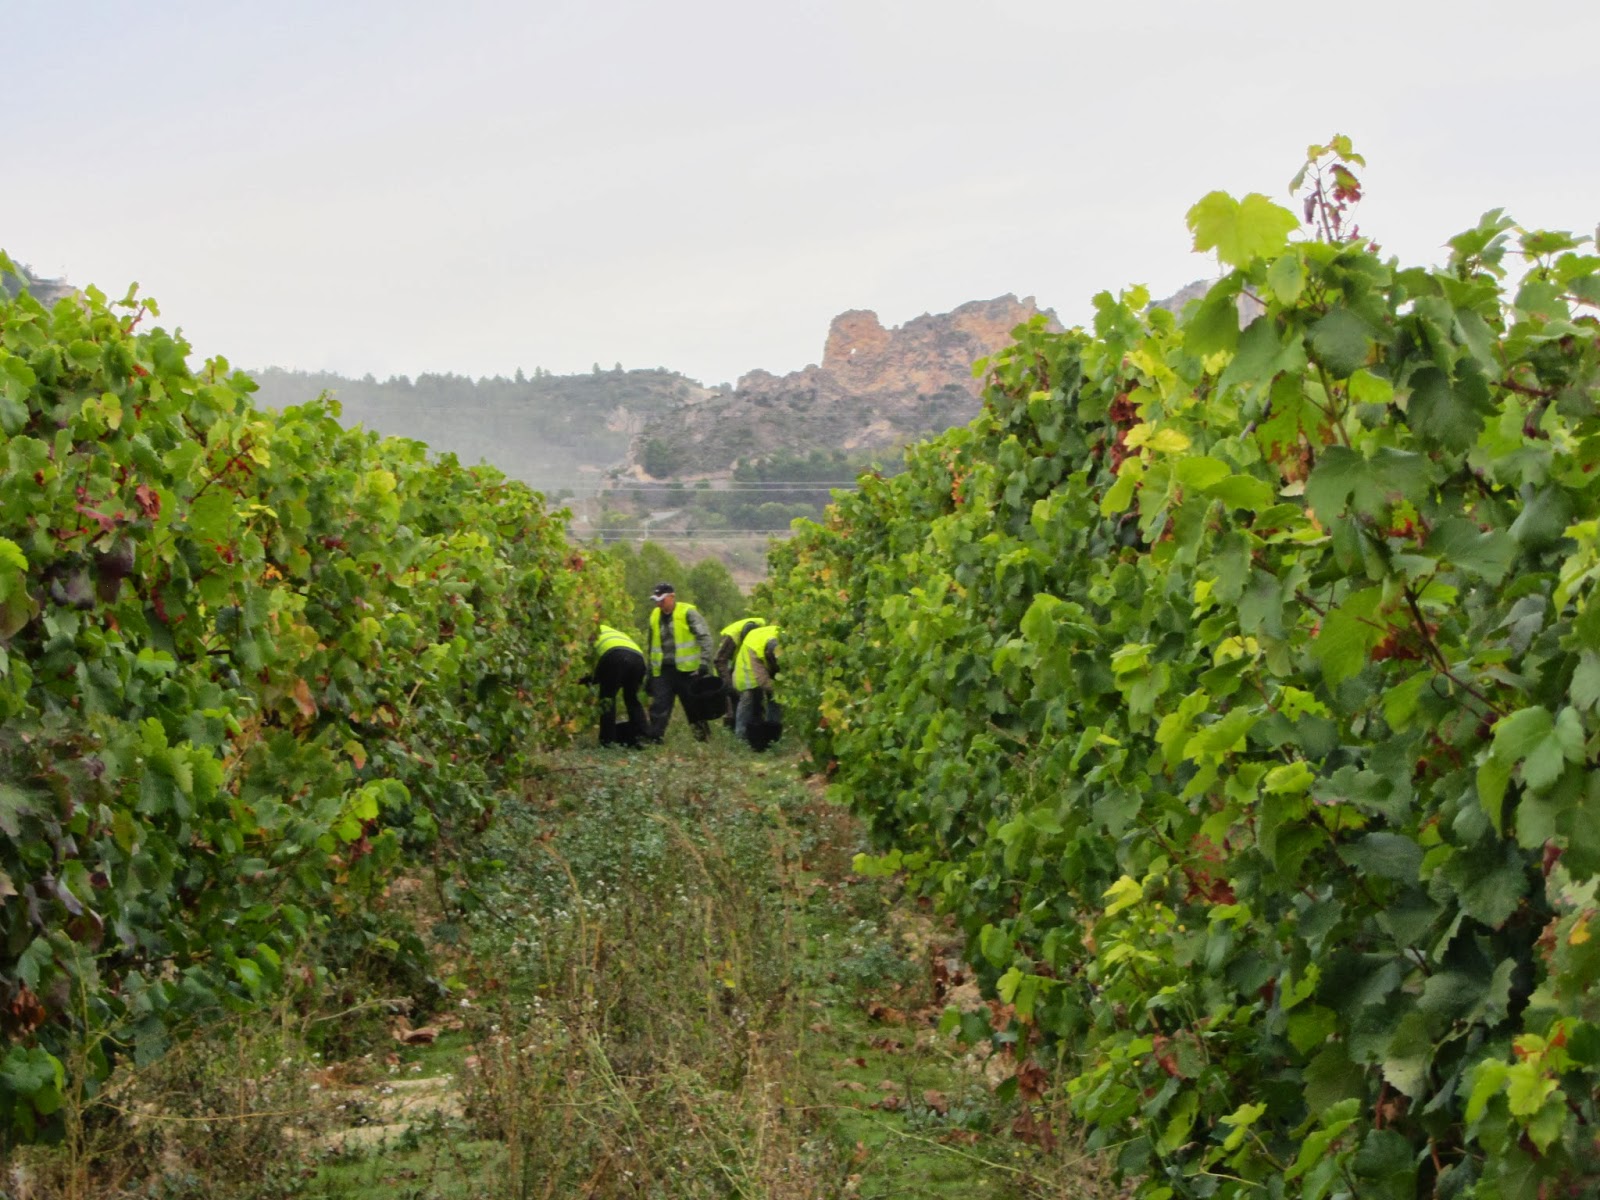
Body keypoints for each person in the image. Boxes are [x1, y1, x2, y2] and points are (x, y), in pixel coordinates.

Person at [644, 582, 716, 742]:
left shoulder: (688, 613)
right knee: (659, 707)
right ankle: (654, 741)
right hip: (663, 670)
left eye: (662, 599)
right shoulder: (654, 615)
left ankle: (704, 740)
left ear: (672, 597)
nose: (659, 604)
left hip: (688, 671)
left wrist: (704, 663)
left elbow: (705, 637)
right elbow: (651, 645)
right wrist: (650, 673)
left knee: (694, 707)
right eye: (656, 600)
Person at [581, 624, 647, 747]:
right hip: (638, 658)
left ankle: (607, 740)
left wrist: (585, 680)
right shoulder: (612, 631)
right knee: (632, 698)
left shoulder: (588, 632)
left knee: (607, 699)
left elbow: (592, 666)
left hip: (614, 656)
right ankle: (642, 736)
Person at [732, 624, 780, 746]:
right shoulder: (753, 650)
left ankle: (773, 735)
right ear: (767, 652)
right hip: (749, 665)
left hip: (769, 656)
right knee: (748, 696)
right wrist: (781, 689)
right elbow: (763, 681)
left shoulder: (783, 639)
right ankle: (740, 737)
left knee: (775, 698)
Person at [714, 615, 766, 727]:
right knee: (732, 698)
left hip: (750, 663)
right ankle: (732, 727)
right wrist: (730, 686)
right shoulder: (732, 638)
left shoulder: (762, 629)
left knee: (756, 696)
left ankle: (757, 726)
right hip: (730, 667)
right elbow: (719, 661)